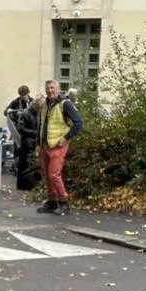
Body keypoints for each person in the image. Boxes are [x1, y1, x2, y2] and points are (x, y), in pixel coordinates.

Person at [33, 78, 83, 213]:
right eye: (48, 88)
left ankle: (64, 201)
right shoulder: (45, 105)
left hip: (58, 144)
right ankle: (52, 201)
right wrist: (38, 143)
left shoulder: (65, 104)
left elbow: (78, 123)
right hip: (45, 144)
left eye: (52, 88)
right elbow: (41, 125)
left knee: (54, 174)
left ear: (58, 89)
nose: (50, 91)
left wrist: (66, 138)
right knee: (47, 174)